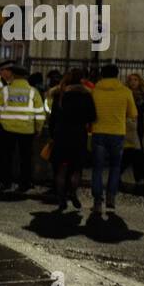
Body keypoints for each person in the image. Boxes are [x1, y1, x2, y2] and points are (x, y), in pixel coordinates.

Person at [0, 60, 45, 193]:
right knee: (25, 158)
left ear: (14, 75)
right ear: (25, 77)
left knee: (7, 157)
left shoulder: (6, 90)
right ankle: (24, 183)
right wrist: (38, 128)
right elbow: (40, 113)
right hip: (27, 130)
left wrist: (1, 120)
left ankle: (6, 182)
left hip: (8, 129)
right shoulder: (33, 92)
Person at [90, 62, 138, 215]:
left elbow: (90, 111)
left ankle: (97, 201)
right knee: (115, 167)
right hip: (117, 133)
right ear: (117, 75)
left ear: (102, 75)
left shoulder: (95, 91)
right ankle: (111, 198)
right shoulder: (125, 91)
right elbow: (133, 114)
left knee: (97, 168)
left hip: (98, 131)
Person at [48, 69, 96, 211]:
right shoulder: (86, 95)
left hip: (61, 134)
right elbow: (92, 116)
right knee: (76, 169)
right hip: (78, 134)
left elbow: (53, 118)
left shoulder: (60, 94)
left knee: (61, 169)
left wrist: (52, 135)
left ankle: (61, 199)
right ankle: (73, 193)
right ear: (82, 80)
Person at [122, 72, 144, 191]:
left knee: (133, 152)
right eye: (131, 80)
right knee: (134, 152)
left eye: (135, 80)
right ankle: (141, 177)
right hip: (129, 126)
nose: (133, 82)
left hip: (139, 126)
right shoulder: (127, 94)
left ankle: (139, 177)